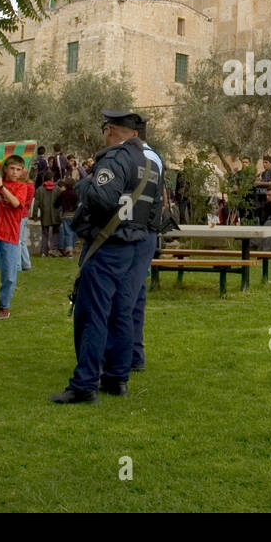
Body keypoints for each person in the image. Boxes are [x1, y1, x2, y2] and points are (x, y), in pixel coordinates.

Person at [52, 110, 160, 404]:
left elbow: (101, 197)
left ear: (109, 130)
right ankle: (116, 378)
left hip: (107, 243)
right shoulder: (150, 164)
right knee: (122, 312)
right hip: (133, 245)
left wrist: (83, 183)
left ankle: (85, 383)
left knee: (92, 313)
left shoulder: (114, 158)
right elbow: (154, 213)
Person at [104, 114, 163, 380]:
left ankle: (119, 359)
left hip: (136, 232)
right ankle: (134, 354)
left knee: (123, 298)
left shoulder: (139, 159)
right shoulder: (155, 157)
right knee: (135, 296)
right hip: (146, 232)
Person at [0, 155, 33, 320]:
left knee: (9, 275)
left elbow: (16, 203)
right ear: (5, 169)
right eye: (12, 168)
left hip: (11, 236)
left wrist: (2, 188)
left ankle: (4, 305)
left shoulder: (23, 186)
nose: (15, 172)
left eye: (18, 169)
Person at [32, 169, 62, 257]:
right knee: (55, 232)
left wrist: (34, 215)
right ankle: (53, 249)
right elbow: (60, 202)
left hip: (44, 214)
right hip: (55, 214)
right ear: (52, 178)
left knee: (45, 233)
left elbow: (36, 204)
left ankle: (44, 252)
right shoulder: (57, 189)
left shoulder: (39, 190)